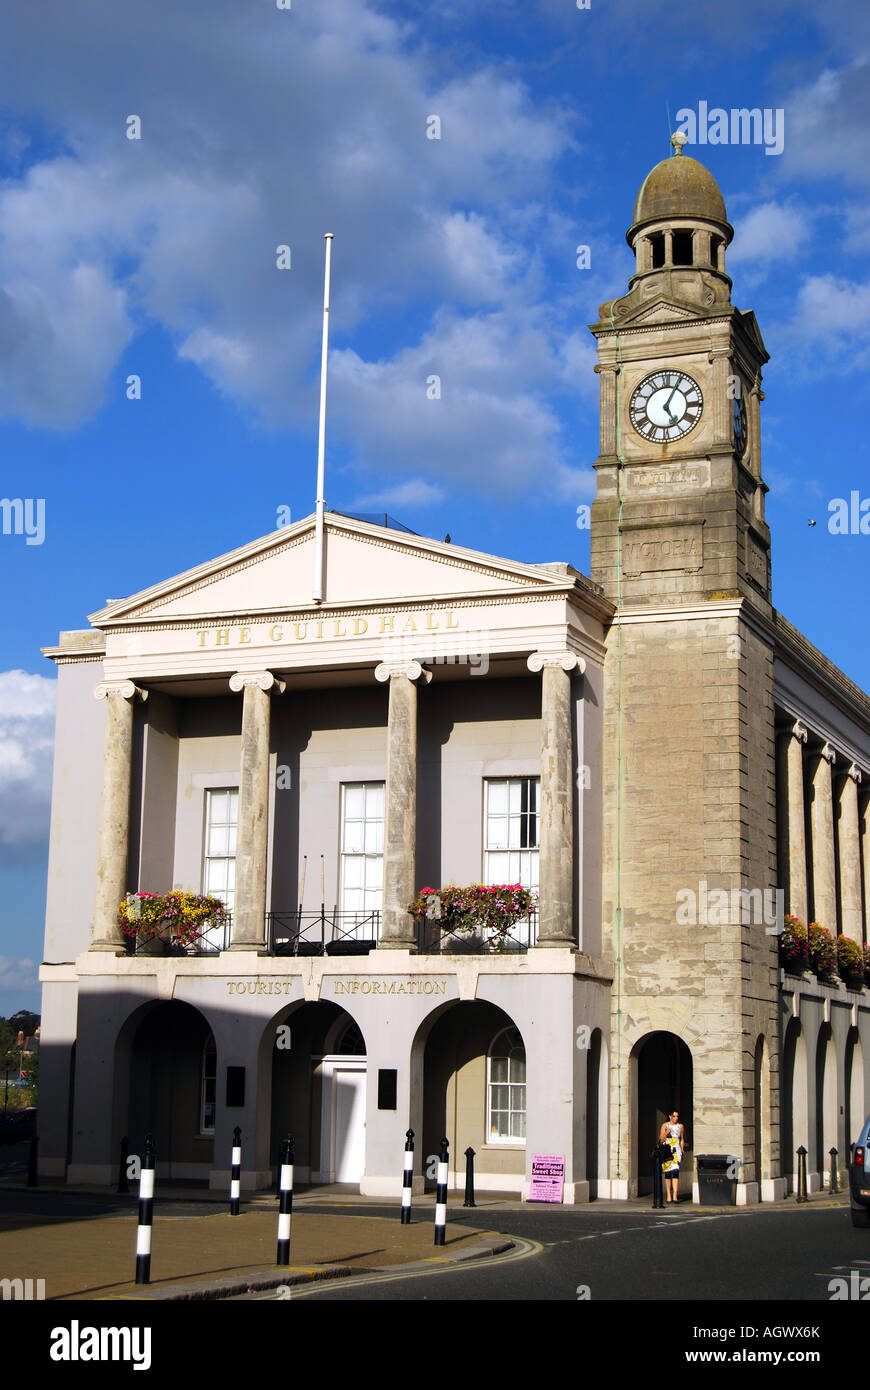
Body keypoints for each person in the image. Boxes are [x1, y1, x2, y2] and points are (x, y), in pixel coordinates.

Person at [659, 1110, 685, 1205]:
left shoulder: (680, 1126)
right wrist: (666, 1133)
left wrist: (682, 1150)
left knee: (675, 1171)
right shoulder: (665, 1125)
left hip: (676, 1150)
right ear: (670, 1116)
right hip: (667, 1150)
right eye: (674, 1116)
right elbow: (661, 1139)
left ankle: (675, 1195)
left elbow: (682, 1139)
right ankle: (668, 1195)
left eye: (677, 1116)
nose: (676, 1118)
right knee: (668, 1172)